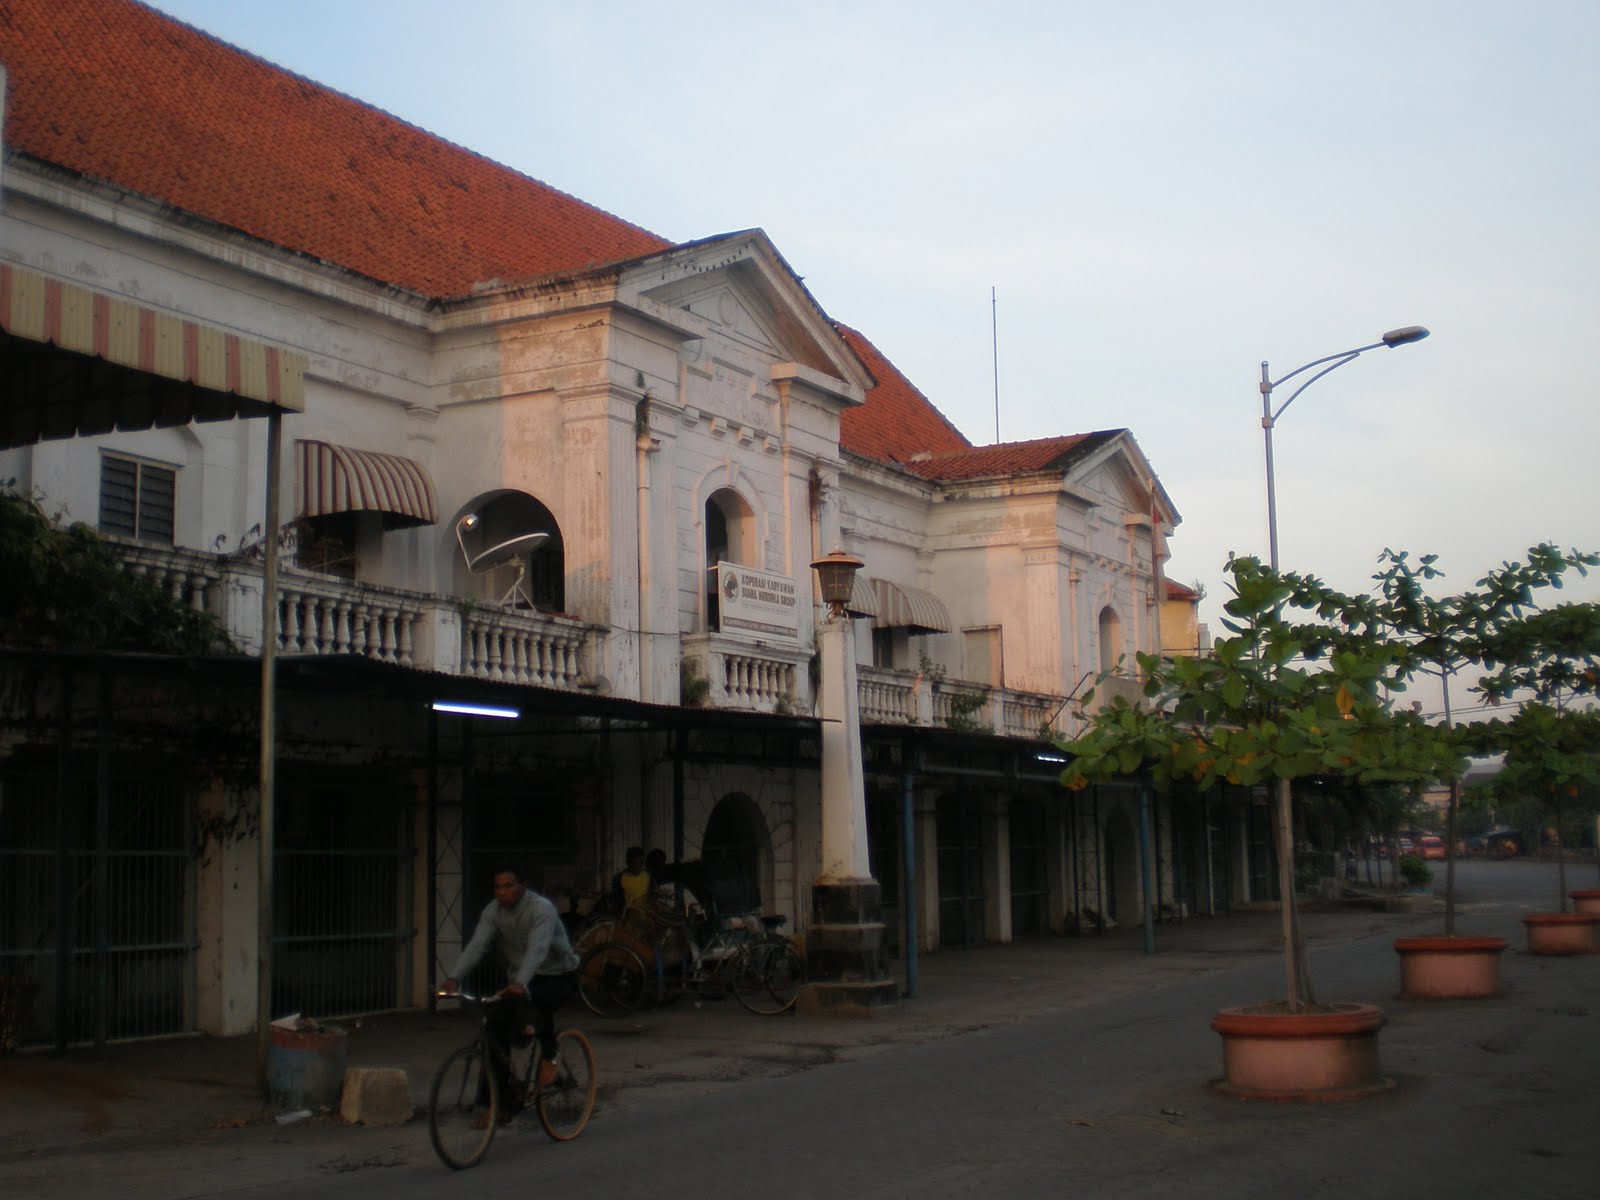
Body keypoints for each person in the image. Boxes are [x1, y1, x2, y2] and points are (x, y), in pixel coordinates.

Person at [440, 864, 580, 1120]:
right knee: (494, 1030)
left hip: (557, 974)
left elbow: (537, 949)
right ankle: (497, 1104)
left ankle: (550, 1056)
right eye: (497, 887)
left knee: (537, 1004)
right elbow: (477, 946)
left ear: (523, 887)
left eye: (509, 886)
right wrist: (454, 977)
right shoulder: (493, 912)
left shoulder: (541, 909)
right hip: (520, 977)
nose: (502, 892)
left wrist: (521, 983)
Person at [608, 846, 653, 918]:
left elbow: (653, 894)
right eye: (634, 863)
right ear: (628, 863)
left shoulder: (648, 876)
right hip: (628, 918)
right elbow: (615, 902)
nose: (637, 866)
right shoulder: (619, 878)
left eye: (640, 863)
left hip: (646, 915)